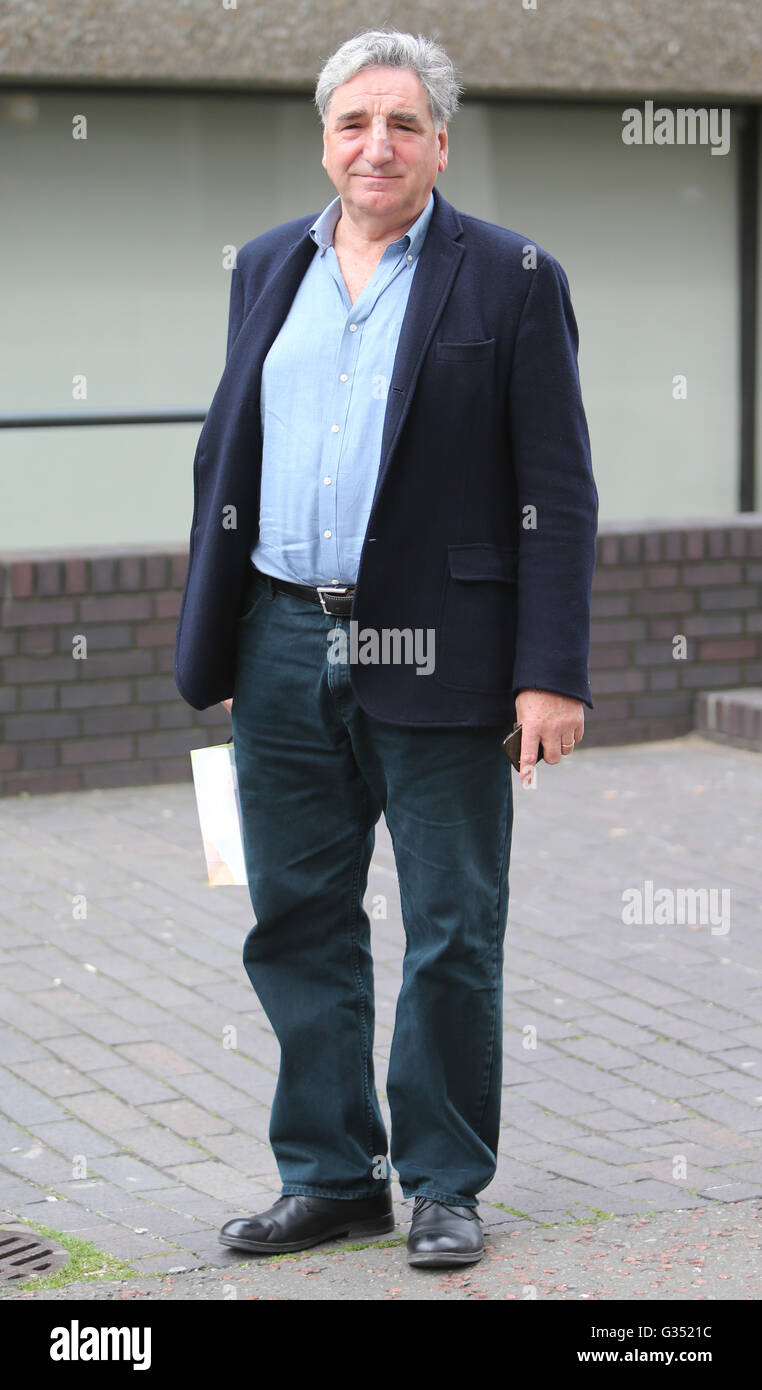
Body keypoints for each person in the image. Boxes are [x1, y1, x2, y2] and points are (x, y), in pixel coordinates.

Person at [174, 27, 598, 1269]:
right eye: (355, 122)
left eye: (402, 123)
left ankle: (446, 1182)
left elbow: (557, 489)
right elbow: (228, 454)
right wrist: (218, 619)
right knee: (294, 919)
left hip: (448, 647)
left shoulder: (514, 276)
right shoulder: (266, 266)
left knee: (453, 927)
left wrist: (551, 668)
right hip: (281, 636)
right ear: (325, 138)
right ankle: (331, 1176)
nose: (377, 144)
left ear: (440, 143)